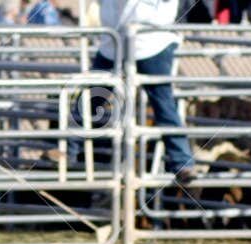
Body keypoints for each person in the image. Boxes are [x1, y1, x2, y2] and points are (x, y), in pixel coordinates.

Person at [83, 1, 197, 182]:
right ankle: (65, 152)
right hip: (114, 41)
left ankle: (182, 162)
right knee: (90, 101)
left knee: (163, 104)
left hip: (150, 42)